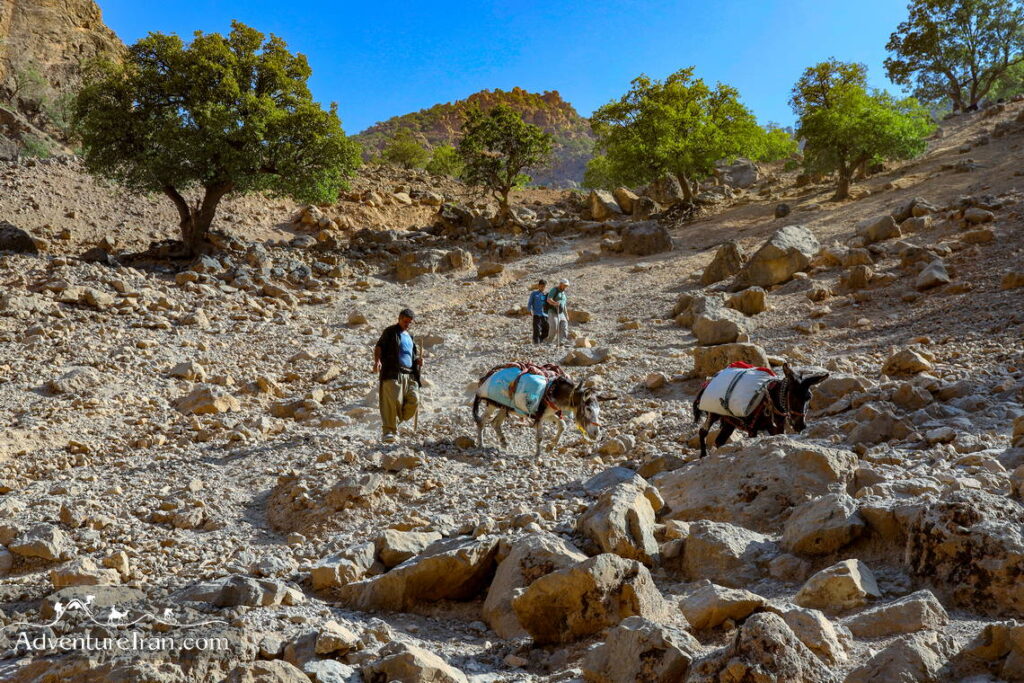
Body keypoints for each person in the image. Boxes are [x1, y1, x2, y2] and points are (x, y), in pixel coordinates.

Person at [373, 308, 421, 443]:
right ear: (399, 319)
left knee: (414, 399)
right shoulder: (390, 332)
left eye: (410, 322)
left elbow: (411, 355)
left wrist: (417, 360)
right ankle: (389, 431)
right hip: (392, 372)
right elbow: (379, 347)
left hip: (409, 374)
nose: (407, 324)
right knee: (392, 401)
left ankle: (397, 421)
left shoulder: (410, 337)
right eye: (405, 321)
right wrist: (377, 361)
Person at [545, 279, 570, 346]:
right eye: (564, 285)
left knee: (564, 326)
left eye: (566, 286)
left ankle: (562, 342)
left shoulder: (563, 293)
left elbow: (564, 305)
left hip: (561, 313)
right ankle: (549, 342)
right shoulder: (554, 290)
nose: (565, 287)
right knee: (554, 327)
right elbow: (548, 299)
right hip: (553, 312)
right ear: (561, 284)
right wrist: (555, 303)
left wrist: (566, 315)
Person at [528, 279, 549, 344]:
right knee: (536, 329)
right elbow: (530, 303)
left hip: (545, 315)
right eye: (541, 286)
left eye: (544, 286)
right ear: (538, 286)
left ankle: (541, 340)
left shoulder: (546, 294)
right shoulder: (534, 294)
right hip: (537, 314)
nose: (543, 288)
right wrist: (529, 310)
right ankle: (536, 343)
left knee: (546, 329)